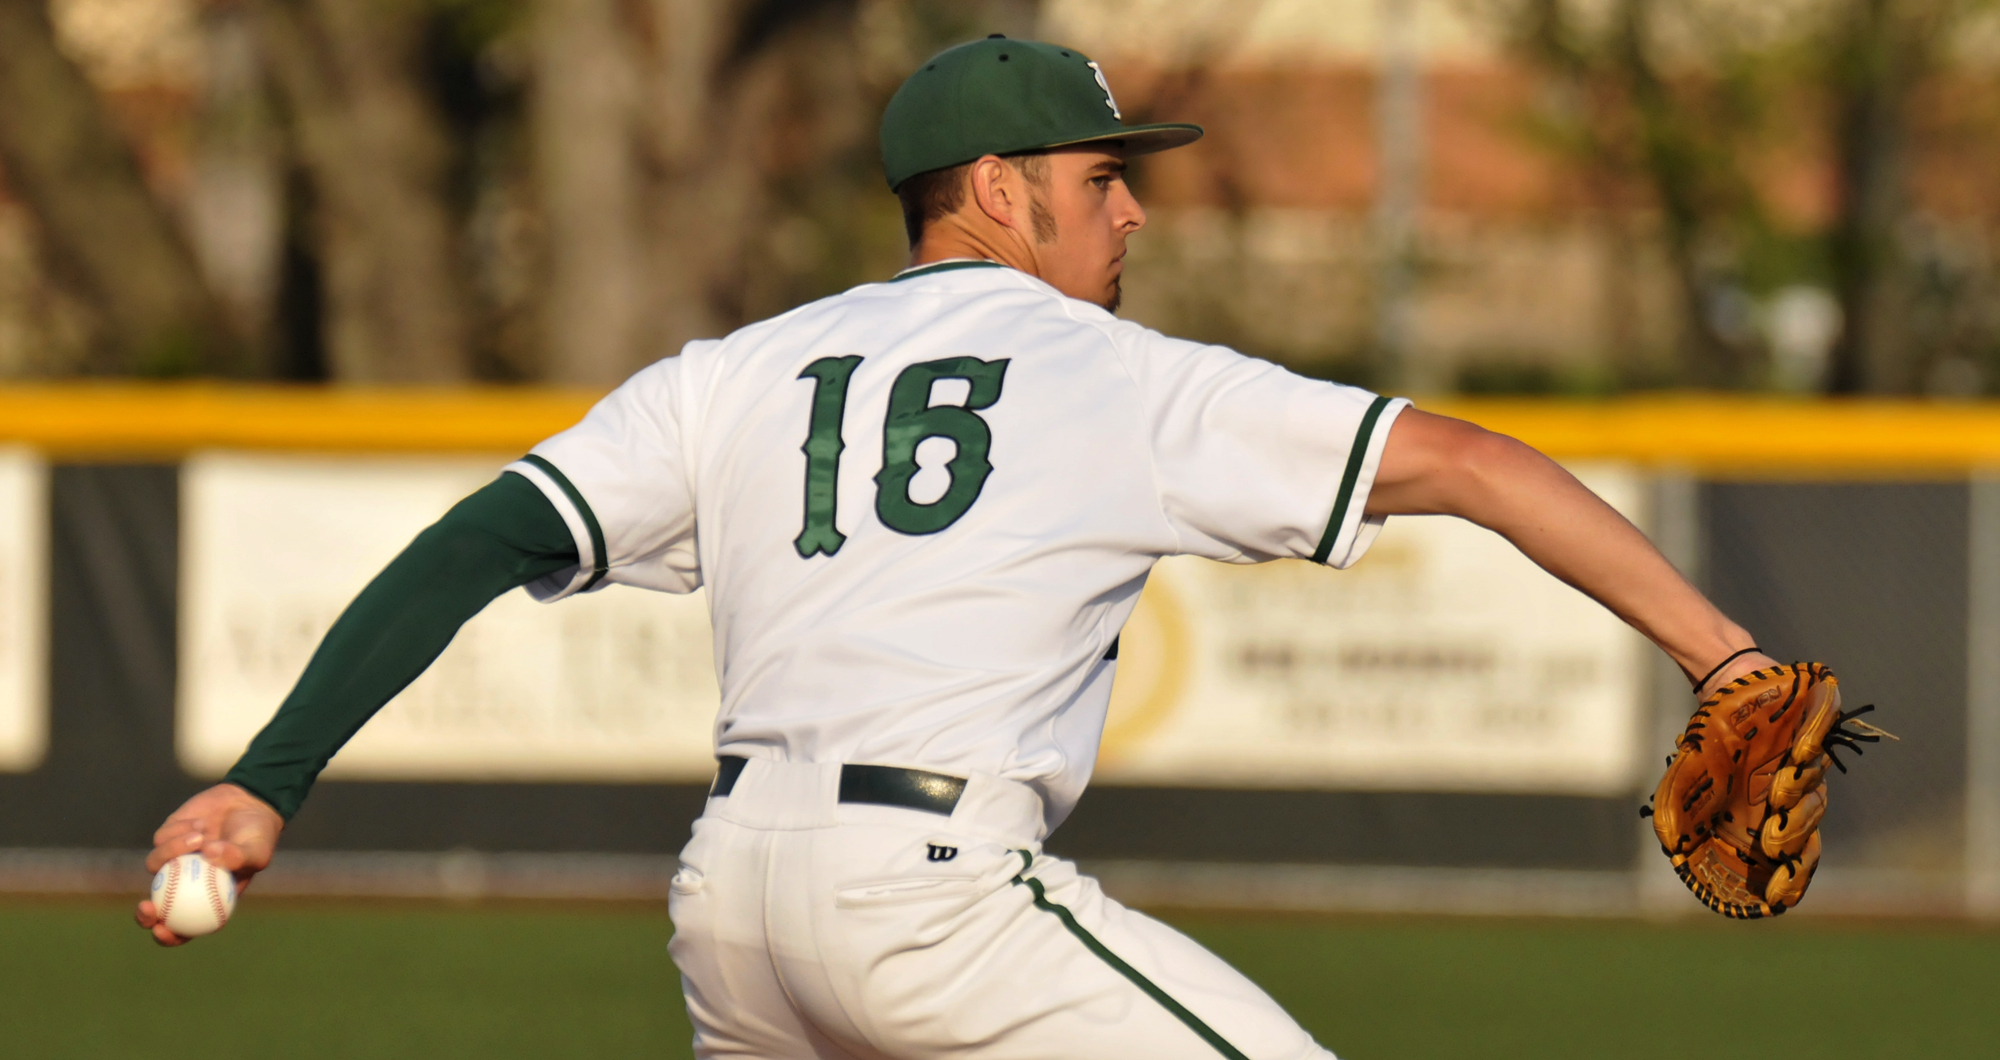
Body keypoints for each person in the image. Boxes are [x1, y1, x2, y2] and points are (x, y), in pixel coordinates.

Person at [139, 37, 1775, 1058]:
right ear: (998, 190)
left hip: (733, 916)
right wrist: (1731, 662)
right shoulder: (1117, 376)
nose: (1132, 213)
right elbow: (1475, 466)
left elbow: (476, 540)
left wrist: (269, 776)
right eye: (1100, 179)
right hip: (932, 910)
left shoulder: (735, 369)